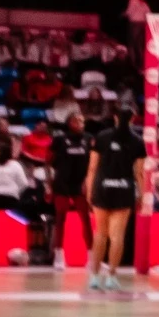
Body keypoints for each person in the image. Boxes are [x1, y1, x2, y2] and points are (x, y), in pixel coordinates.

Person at [81, 107, 145, 293]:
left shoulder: (101, 136)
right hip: (124, 189)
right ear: (133, 119)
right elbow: (139, 173)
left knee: (100, 233)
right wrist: (141, 194)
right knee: (117, 235)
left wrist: (89, 192)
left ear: (115, 118)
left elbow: (92, 168)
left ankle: (94, 276)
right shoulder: (138, 141)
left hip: (102, 187)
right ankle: (112, 277)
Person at [48, 114, 94, 272]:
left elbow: (93, 163)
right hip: (62, 183)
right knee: (60, 219)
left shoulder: (89, 138)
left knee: (86, 220)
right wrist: (49, 184)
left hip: (81, 185)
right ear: (69, 123)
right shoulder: (59, 139)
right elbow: (47, 162)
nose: (81, 123)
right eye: (77, 120)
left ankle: (92, 258)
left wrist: (88, 182)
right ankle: (59, 257)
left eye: (82, 120)